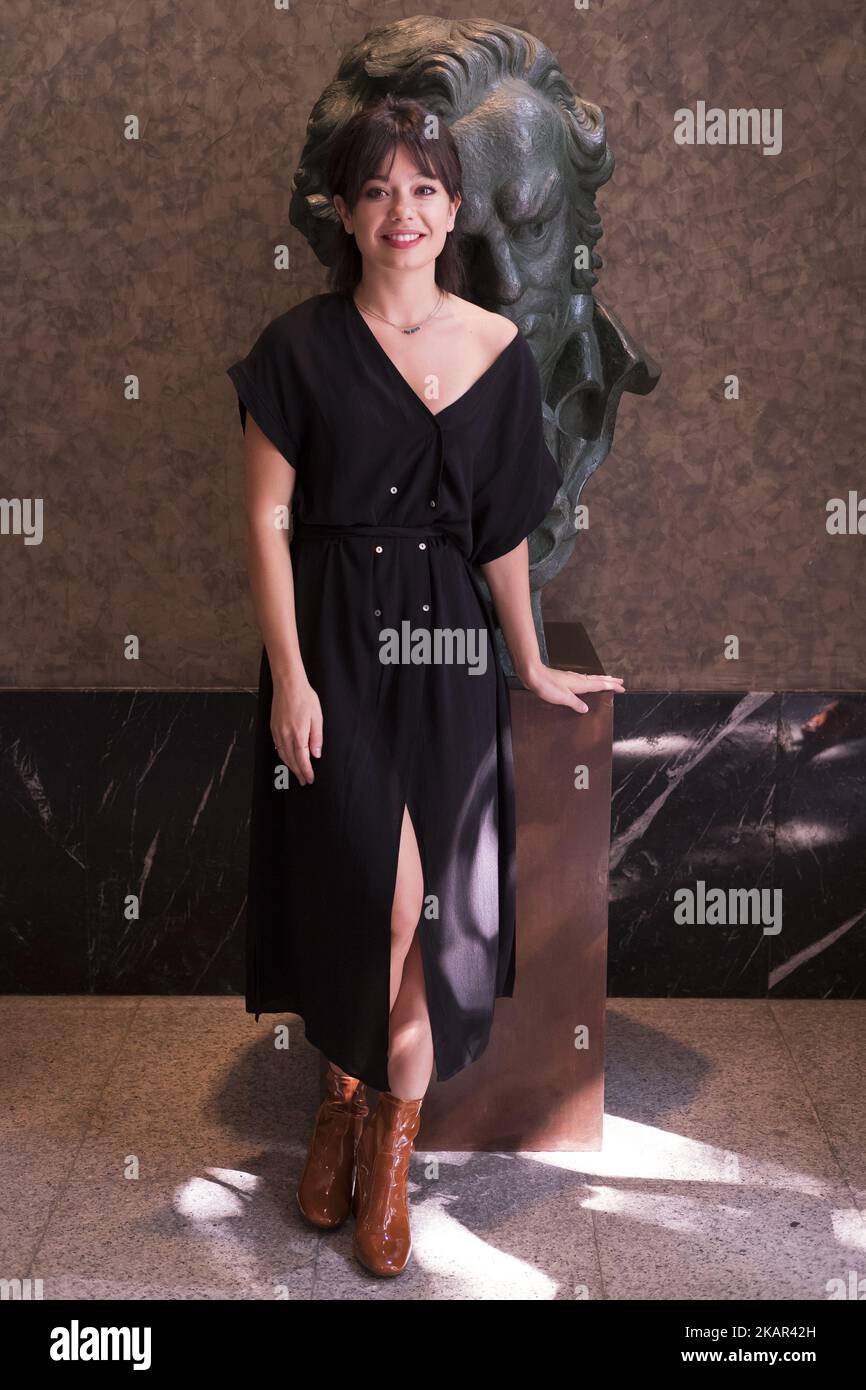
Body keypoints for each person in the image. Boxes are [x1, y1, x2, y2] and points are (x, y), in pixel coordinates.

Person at [227, 95, 625, 1277]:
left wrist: (528, 655)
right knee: (379, 894)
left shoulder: (498, 353)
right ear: (347, 215)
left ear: (452, 208)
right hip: (337, 640)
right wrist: (289, 677)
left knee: (427, 916)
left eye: (423, 188)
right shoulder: (296, 348)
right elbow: (264, 519)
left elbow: (500, 531)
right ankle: (341, 1100)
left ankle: (384, 1143)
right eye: (377, 191)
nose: (402, 211)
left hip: (448, 648)